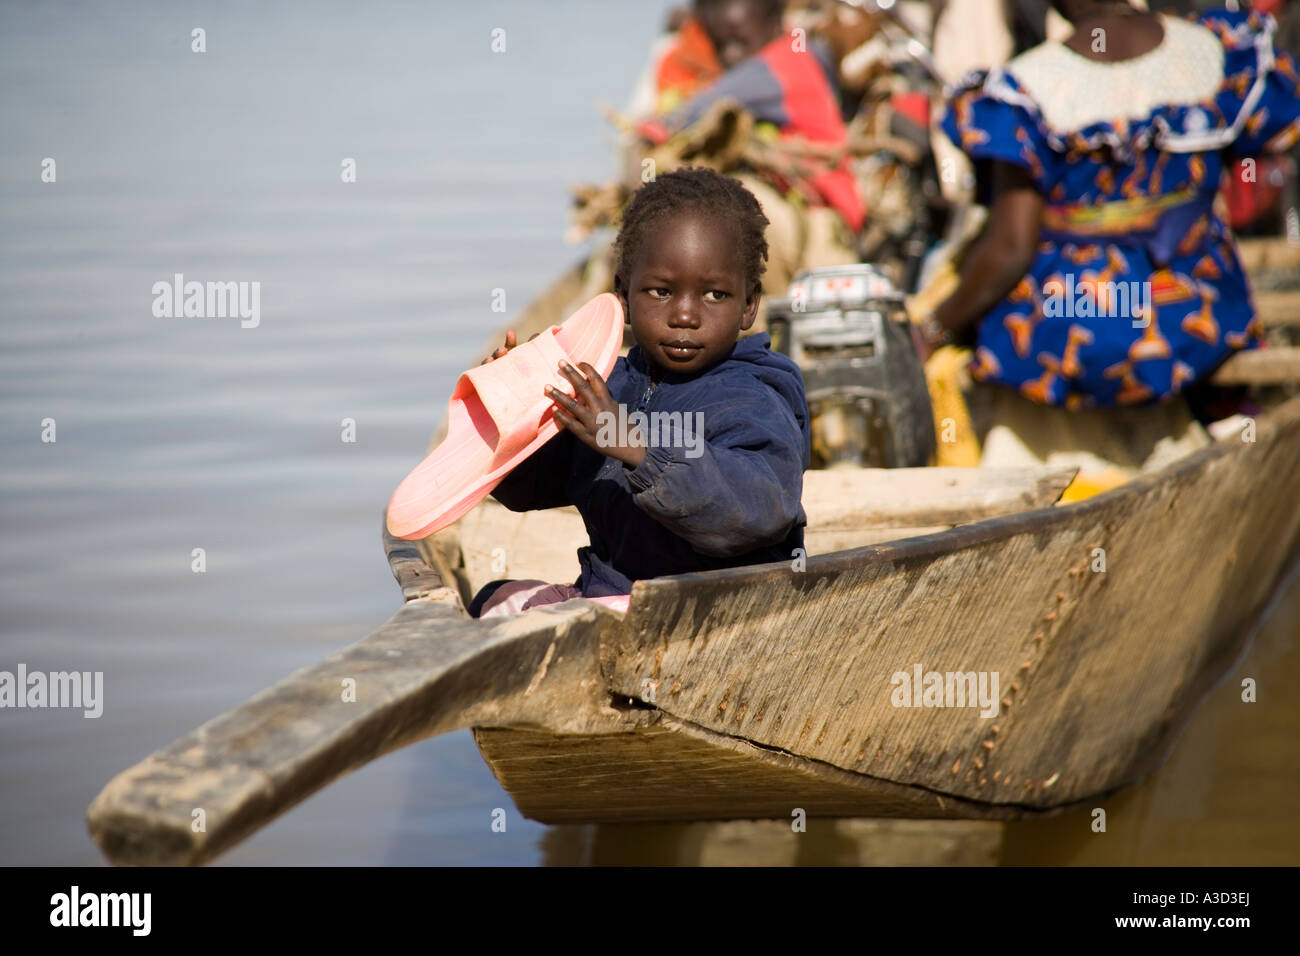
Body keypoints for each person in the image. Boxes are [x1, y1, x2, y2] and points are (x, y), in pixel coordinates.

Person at [917, 1, 1300, 478]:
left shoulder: (1028, 86)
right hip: (1194, 307)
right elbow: (1263, 142)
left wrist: (934, 328)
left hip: (1077, 320)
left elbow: (1010, 248)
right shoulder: (1215, 53)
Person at [469, 168, 812, 618]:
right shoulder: (612, 387)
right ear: (623, 299)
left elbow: (756, 508)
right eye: (661, 291)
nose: (685, 315)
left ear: (748, 305)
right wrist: (512, 412)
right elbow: (533, 489)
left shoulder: (753, 399)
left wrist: (637, 447)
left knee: (521, 627)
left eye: (714, 295)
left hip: (713, 614)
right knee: (491, 599)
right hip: (611, 592)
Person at [632, 0, 866, 296]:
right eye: (720, 44)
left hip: (825, 226)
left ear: (773, 23)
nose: (730, 55)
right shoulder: (807, 52)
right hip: (839, 217)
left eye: (740, 40)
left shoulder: (770, 70)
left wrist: (642, 143)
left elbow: (676, 120)